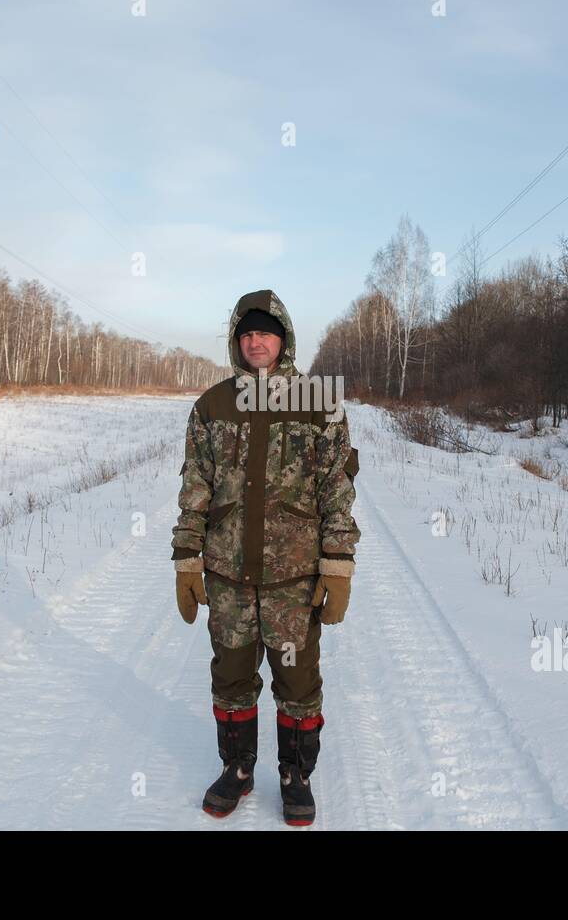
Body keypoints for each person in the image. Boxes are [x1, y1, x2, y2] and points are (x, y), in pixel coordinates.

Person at [171, 289, 360, 826]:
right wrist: (187, 557)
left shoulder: (318, 402)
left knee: (297, 681)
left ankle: (295, 776)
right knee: (231, 676)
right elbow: (196, 486)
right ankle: (237, 768)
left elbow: (336, 491)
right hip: (228, 575)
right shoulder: (212, 405)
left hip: (292, 578)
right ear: (237, 340)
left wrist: (337, 565)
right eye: (247, 333)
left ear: (284, 338)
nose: (257, 341)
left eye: (266, 332)